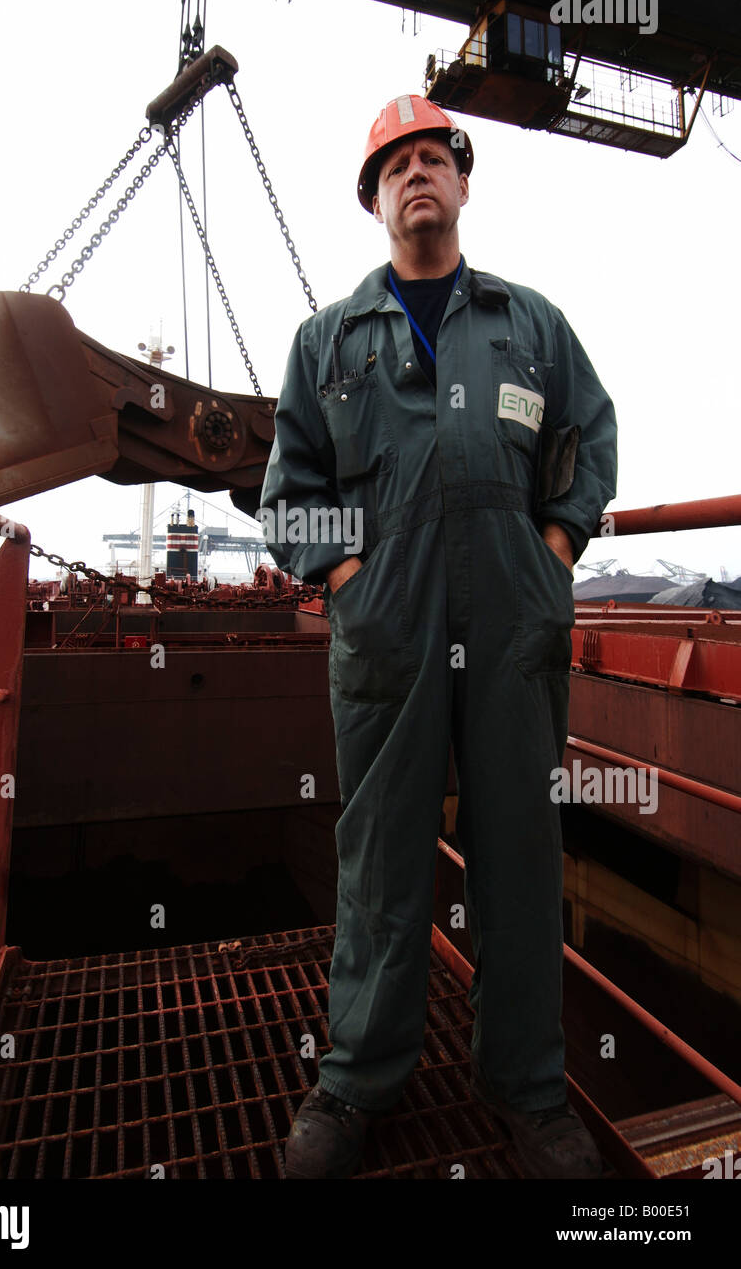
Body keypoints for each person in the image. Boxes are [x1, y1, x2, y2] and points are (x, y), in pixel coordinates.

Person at [259, 94, 618, 1179]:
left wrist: (550, 549)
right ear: (373, 200)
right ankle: (354, 1083)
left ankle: (530, 1092)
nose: (416, 174)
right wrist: (354, 578)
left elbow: (589, 442)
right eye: (394, 164)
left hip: (511, 636)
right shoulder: (325, 345)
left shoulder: (531, 326)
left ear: (461, 181)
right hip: (385, 645)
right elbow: (286, 495)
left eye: (433, 157)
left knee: (519, 855)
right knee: (378, 866)